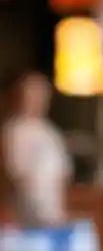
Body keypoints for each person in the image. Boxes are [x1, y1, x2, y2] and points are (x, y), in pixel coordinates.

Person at [0, 70, 71, 226]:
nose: (37, 98)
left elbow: (60, 177)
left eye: (42, 93)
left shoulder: (50, 132)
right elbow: (15, 176)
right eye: (32, 92)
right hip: (23, 218)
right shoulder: (13, 131)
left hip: (52, 215)